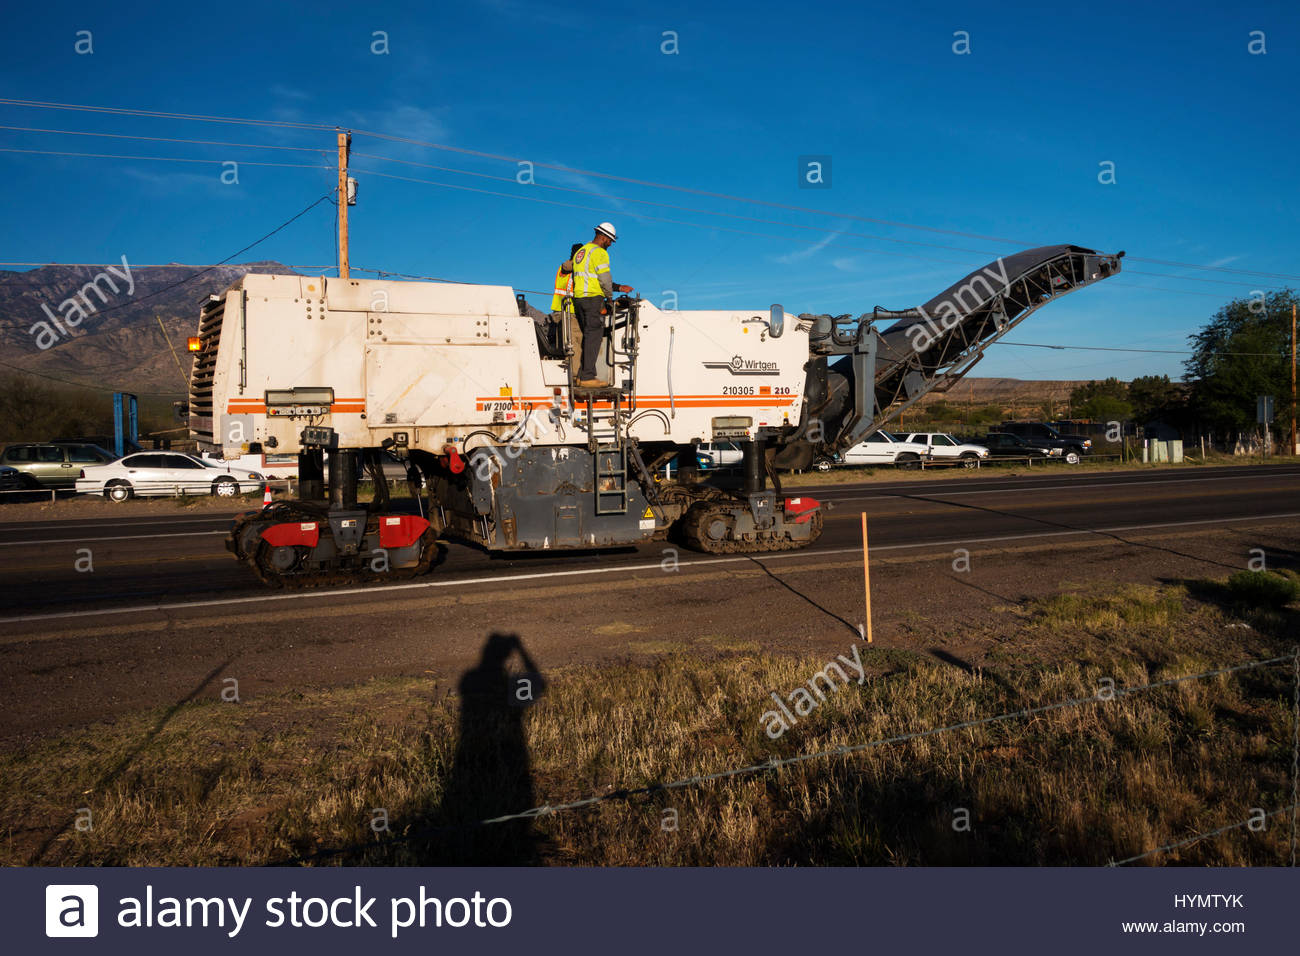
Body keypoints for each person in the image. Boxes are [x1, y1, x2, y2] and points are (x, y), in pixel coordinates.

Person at [570, 222, 632, 388]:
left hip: (579, 299)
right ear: (603, 237)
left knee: (588, 337)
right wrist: (610, 298)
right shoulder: (600, 253)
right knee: (595, 335)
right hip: (592, 299)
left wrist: (619, 287)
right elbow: (604, 279)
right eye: (610, 240)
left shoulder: (581, 252)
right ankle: (588, 377)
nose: (610, 244)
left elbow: (588, 276)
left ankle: (582, 375)